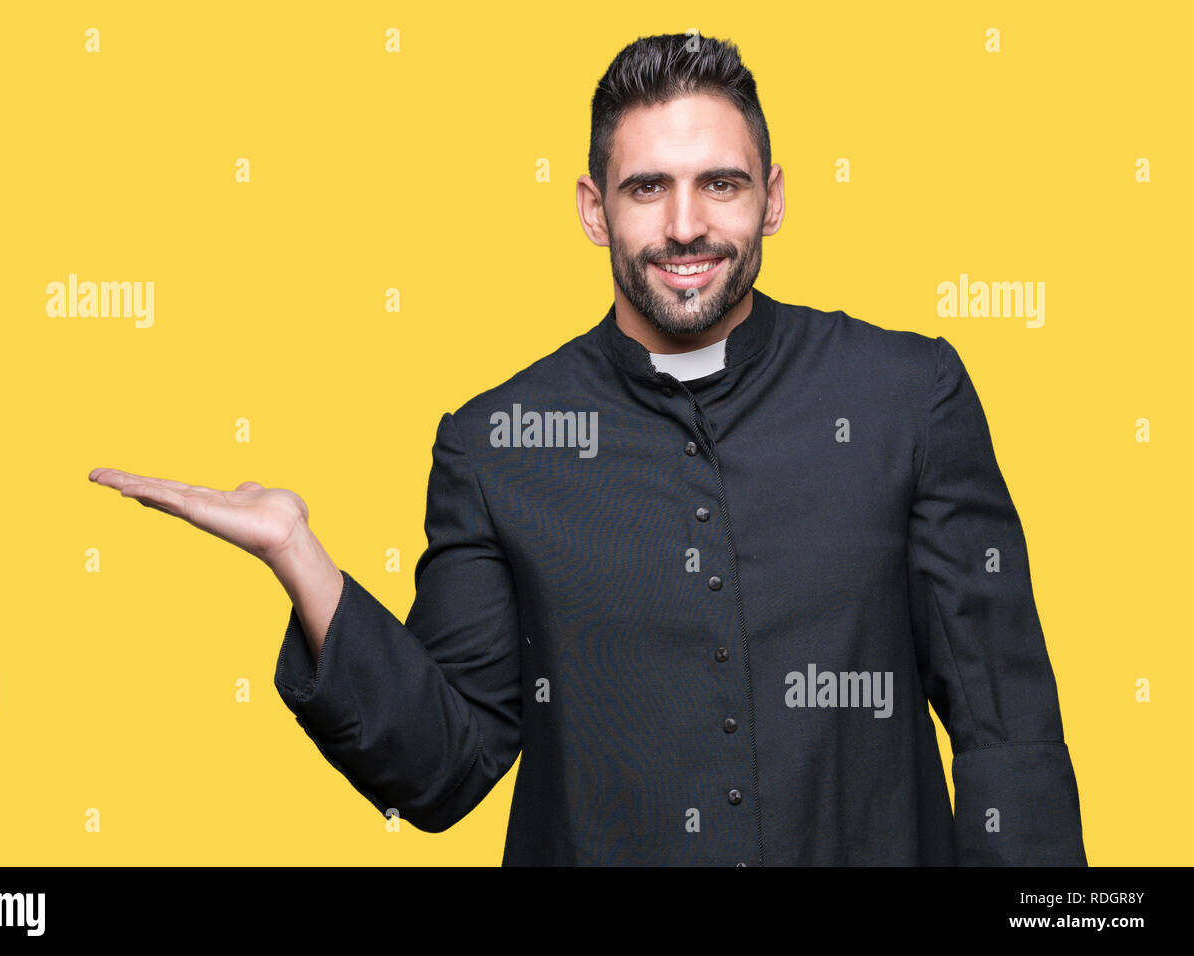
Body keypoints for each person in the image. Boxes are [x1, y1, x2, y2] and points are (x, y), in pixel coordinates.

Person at [89, 33, 1086, 866]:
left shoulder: (909, 394)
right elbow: (445, 765)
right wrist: (299, 558)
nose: (685, 224)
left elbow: (1005, 723)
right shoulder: (495, 446)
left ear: (772, 198)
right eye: (647, 187)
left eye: (720, 184)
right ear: (591, 207)